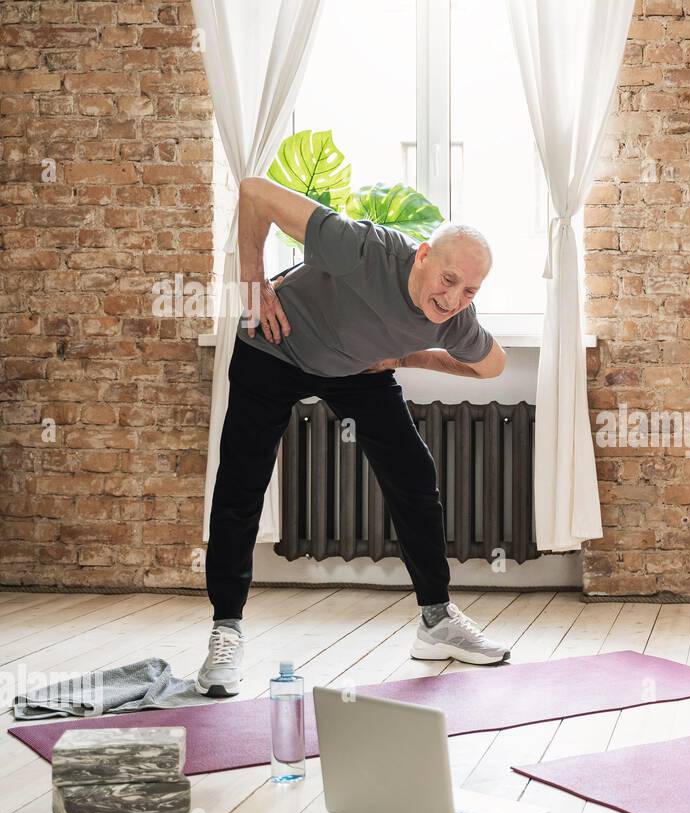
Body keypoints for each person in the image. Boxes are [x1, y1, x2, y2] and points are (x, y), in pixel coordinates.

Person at [196, 177, 512, 697]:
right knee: (241, 485)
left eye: (470, 291)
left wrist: (407, 356)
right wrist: (253, 282)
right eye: (448, 279)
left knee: (413, 474)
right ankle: (225, 630)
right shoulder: (362, 248)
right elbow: (254, 193)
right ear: (423, 256)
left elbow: (492, 368)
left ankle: (436, 620)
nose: (453, 298)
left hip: (358, 372)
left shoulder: (455, 321)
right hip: (273, 350)